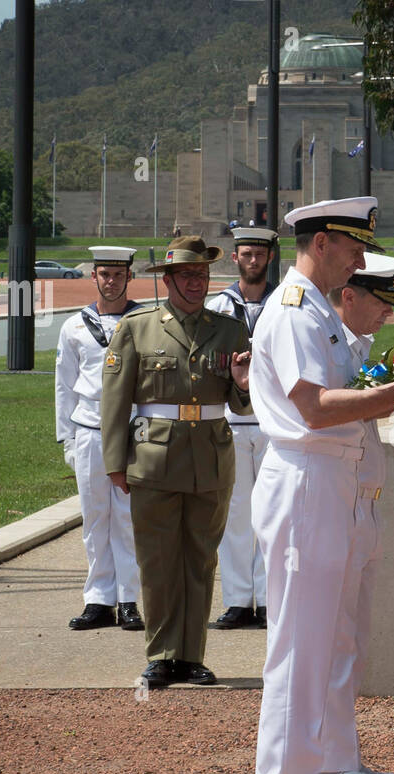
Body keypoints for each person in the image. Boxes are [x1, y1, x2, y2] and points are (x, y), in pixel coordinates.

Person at [249, 197, 394, 774]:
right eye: (355, 246)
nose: (363, 260)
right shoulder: (293, 313)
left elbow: (344, 399)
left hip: (328, 480)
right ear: (323, 241)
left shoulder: (316, 312)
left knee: (321, 643)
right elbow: (313, 407)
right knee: (300, 649)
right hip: (306, 478)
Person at [100, 236, 253, 689]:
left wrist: (244, 383)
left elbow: (242, 406)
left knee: (200, 561)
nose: (196, 283)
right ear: (168, 280)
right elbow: (115, 400)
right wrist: (114, 462)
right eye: (187, 275)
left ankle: (192, 656)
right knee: (159, 561)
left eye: (202, 275)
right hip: (153, 459)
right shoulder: (136, 327)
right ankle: (162, 653)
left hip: (210, 457)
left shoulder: (229, 330)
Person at [317, 252, 394, 774]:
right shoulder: (329, 343)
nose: (389, 313)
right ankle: (330, 762)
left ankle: (340, 753)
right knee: (335, 639)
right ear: (349, 296)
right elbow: (323, 410)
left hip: (364, 502)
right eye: (382, 300)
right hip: (341, 501)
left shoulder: (356, 347)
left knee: (351, 639)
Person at [54, 246, 145, 633]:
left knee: (127, 520)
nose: (111, 281)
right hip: (89, 429)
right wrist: (67, 440)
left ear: (129, 277)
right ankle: (97, 599)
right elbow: (64, 386)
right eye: (104, 274)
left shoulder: (144, 321)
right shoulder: (74, 326)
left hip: (130, 430)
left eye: (118, 274)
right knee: (95, 519)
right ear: (94, 277)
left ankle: (128, 599)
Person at [205, 228, 278, 630]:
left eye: (260, 253)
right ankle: (236, 599)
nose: (253, 260)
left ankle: (267, 598)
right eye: (246, 253)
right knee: (234, 515)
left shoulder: (285, 302)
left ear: (269, 257)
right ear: (235, 259)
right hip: (230, 421)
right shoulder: (218, 305)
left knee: (269, 513)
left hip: (272, 422)